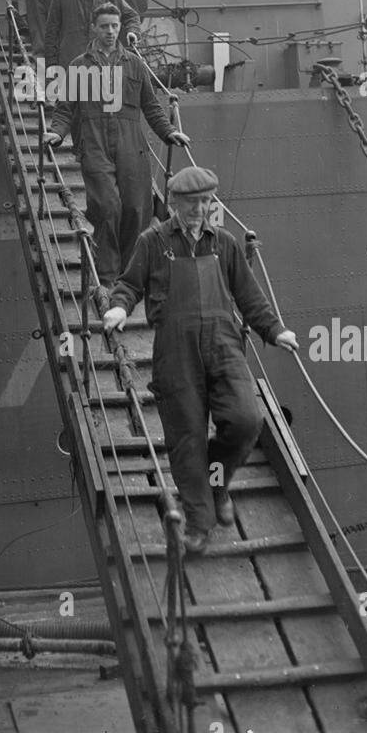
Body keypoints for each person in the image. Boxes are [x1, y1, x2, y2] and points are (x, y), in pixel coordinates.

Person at [102, 166, 298, 555]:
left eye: (206, 202)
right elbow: (129, 284)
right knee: (187, 438)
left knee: (246, 421)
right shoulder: (153, 242)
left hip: (224, 345)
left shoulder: (224, 243)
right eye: (191, 203)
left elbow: (249, 296)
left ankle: (216, 483)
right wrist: (119, 308)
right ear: (174, 203)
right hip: (176, 351)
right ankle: (198, 521)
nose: (199, 209)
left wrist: (275, 330)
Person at [45, 4, 190, 284]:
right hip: (95, 142)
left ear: (120, 27)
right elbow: (65, 108)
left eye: (114, 26)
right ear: (93, 28)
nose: (110, 32)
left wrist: (169, 132)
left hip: (131, 144)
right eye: (104, 26)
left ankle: (130, 274)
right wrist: (57, 133)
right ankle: (109, 276)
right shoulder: (79, 66)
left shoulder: (135, 64)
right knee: (107, 207)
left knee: (136, 209)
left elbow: (151, 107)